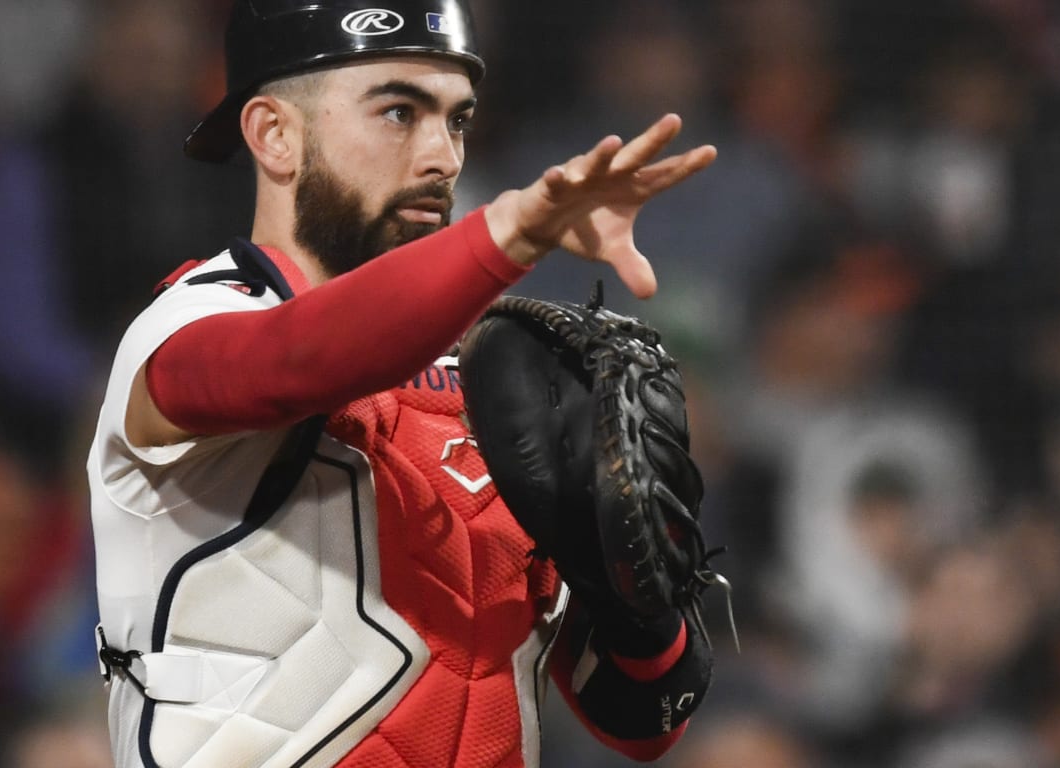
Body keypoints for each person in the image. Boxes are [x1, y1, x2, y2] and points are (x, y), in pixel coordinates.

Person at [85, 1, 719, 767]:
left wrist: (632, 602)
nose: (442, 157)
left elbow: (643, 726)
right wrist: (510, 230)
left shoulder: (497, 385)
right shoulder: (185, 329)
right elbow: (298, 361)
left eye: (456, 121)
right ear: (273, 134)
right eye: (398, 111)